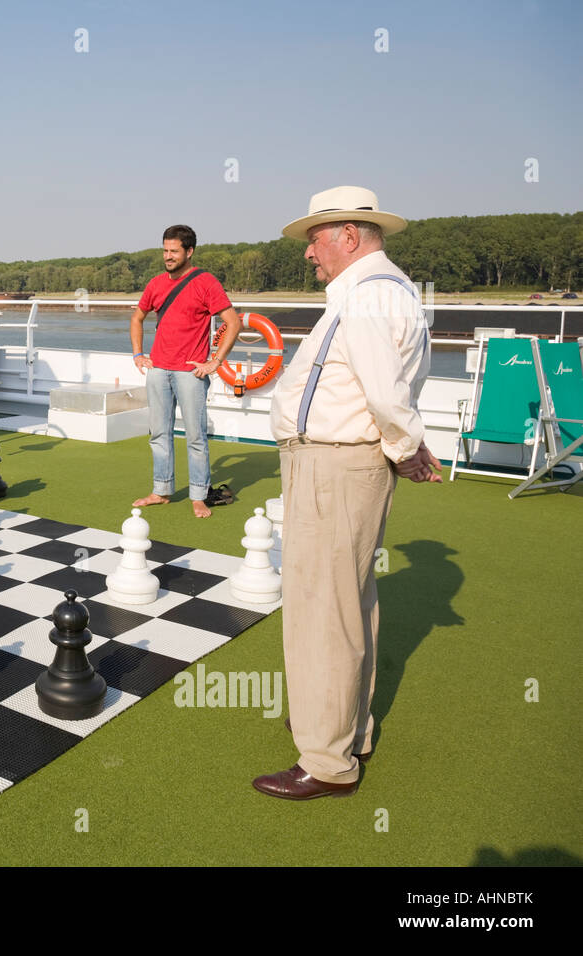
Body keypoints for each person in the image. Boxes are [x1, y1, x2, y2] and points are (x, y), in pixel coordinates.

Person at [253, 186, 442, 800]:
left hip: (336, 467)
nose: (309, 253)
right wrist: (403, 445)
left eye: (314, 239)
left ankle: (328, 761)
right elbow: (390, 389)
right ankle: (340, 727)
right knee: (348, 603)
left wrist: (406, 447)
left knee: (321, 612)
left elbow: (387, 394)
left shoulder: (367, 299)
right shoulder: (382, 294)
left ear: (348, 236)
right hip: (340, 465)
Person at [128, 225, 241, 518]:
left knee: (195, 437)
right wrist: (138, 354)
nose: (168, 256)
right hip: (158, 370)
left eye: (174, 251)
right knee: (159, 434)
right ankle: (161, 491)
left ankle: (199, 495)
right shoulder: (155, 284)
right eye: (165, 250)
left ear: (189, 252)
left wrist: (214, 361)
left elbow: (233, 322)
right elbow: (137, 318)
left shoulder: (205, 282)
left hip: (191, 373)